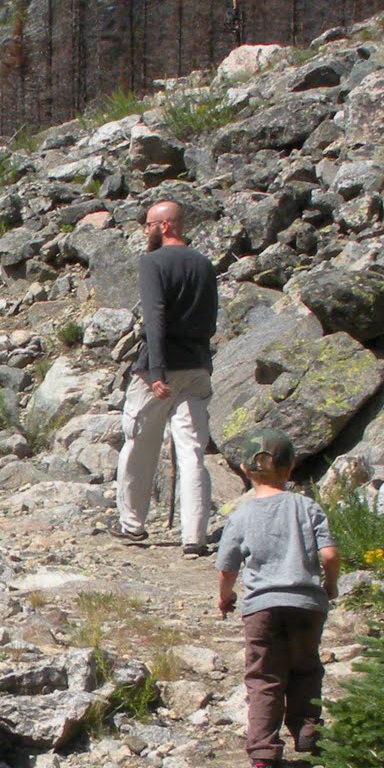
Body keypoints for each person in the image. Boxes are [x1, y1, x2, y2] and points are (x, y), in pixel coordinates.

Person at [216, 427, 341, 768]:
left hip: (262, 608)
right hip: (307, 604)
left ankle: (264, 756)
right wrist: (328, 586)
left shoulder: (241, 515)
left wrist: (225, 596)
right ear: (291, 468)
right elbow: (329, 554)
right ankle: (307, 731)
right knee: (305, 668)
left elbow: (227, 566)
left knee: (264, 678)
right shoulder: (307, 507)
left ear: (243, 469)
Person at [112, 198, 219, 556]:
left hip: (160, 367)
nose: (145, 231)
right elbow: (211, 321)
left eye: (149, 224)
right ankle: (194, 536)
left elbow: (154, 317)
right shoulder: (204, 264)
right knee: (191, 450)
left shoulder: (152, 262)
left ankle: (132, 525)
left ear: (166, 226)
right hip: (198, 363)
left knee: (140, 443)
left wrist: (156, 369)